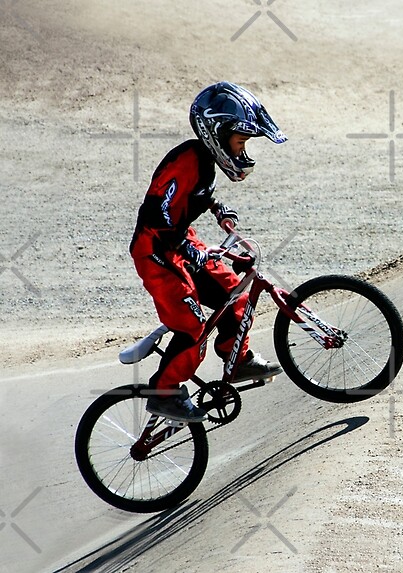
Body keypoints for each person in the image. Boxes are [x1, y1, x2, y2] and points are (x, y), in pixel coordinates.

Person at [129, 81, 287, 422]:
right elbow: (160, 217)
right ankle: (165, 392)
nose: (243, 151)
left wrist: (218, 210)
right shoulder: (187, 160)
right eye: (240, 142)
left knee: (235, 293)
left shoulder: (203, 162)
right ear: (218, 132)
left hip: (181, 243)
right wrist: (191, 250)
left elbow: (197, 195)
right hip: (157, 252)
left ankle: (238, 359)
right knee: (191, 327)